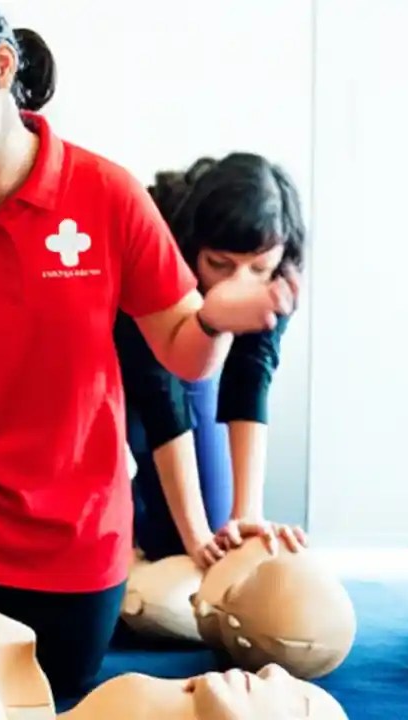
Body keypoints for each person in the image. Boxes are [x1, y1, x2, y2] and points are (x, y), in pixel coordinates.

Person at [0, 0, 299, 700]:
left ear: (1, 66)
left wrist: (216, 322)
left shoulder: (107, 194)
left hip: (71, 561)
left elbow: (182, 356)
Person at [117, 155, 307, 571]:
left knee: (221, 524)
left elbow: (251, 375)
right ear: (194, 249)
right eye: (220, 265)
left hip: (199, 355)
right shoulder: (156, 246)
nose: (241, 284)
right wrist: (195, 537)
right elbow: (159, 396)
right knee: (176, 540)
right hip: (120, 357)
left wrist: (247, 514)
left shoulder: (281, 277)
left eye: (259, 268)